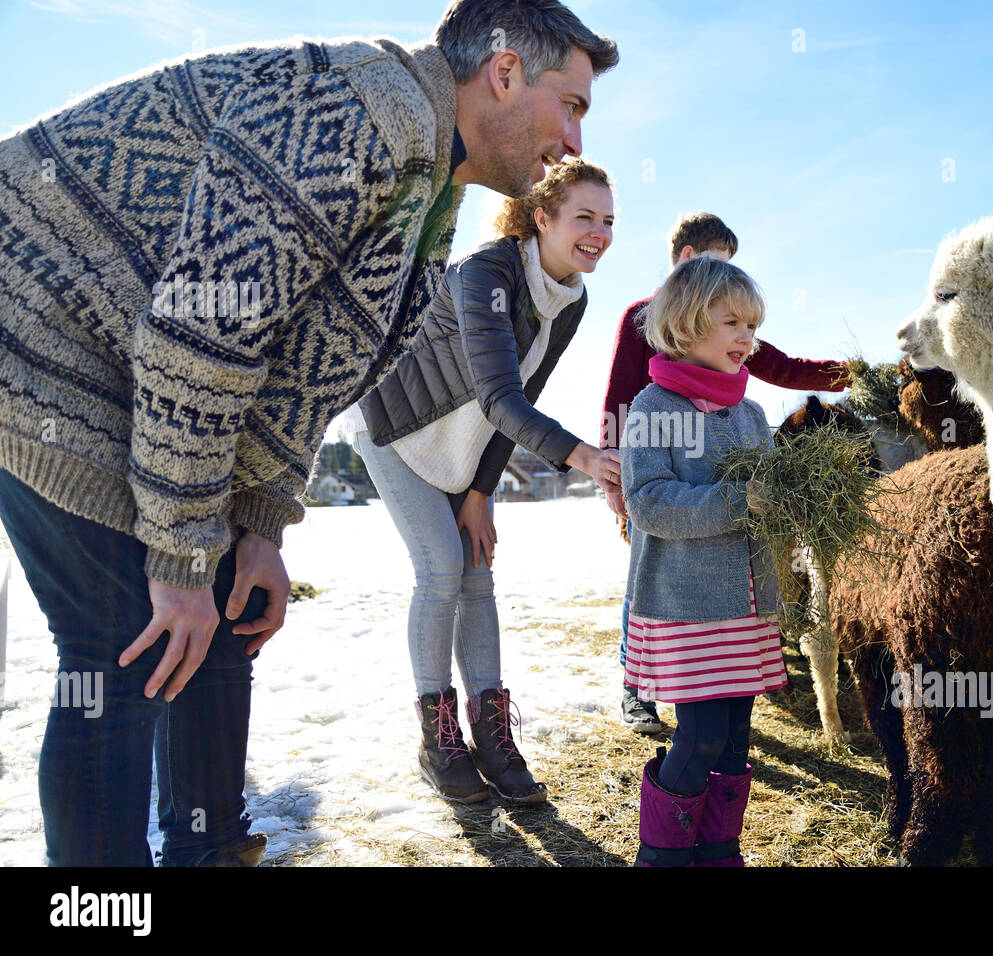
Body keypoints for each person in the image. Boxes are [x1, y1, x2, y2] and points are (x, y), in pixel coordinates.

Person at [0, 0, 617, 866]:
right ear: (505, 71)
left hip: (129, 366)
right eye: (574, 104)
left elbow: (302, 371)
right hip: (38, 333)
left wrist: (255, 524)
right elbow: (202, 329)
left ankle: (206, 849)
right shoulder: (363, 111)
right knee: (122, 643)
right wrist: (181, 555)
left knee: (225, 613)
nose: (576, 140)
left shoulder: (432, 188)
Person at [344, 158, 621, 805]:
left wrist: (480, 493)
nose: (599, 232)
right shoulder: (485, 273)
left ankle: (492, 737)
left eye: (608, 220)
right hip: (396, 419)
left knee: (475, 565)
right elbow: (502, 397)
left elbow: (520, 397)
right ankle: (437, 739)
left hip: (465, 442)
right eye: (584, 216)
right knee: (440, 567)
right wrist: (585, 456)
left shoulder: (572, 298)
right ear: (542, 217)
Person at [601, 212, 844, 733]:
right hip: (651, 463)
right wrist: (613, 473)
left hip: (727, 538)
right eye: (718, 263)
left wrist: (848, 374)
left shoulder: (738, 374)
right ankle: (638, 685)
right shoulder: (644, 318)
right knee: (651, 574)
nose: (746, 336)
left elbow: (779, 366)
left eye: (749, 326)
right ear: (690, 261)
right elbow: (620, 396)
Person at [621, 255, 786, 867]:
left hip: (745, 607)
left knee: (736, 738)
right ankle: (661, 856)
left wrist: (790, 501)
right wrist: (740, 499)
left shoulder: (751, 414)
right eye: (733, 323)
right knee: (698, 736)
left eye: (753, 325)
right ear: (687, 326)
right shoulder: (653, 407)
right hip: (688, 606)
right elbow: (649, 502)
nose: (748, 337)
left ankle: (719, 850)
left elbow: (771, 496)